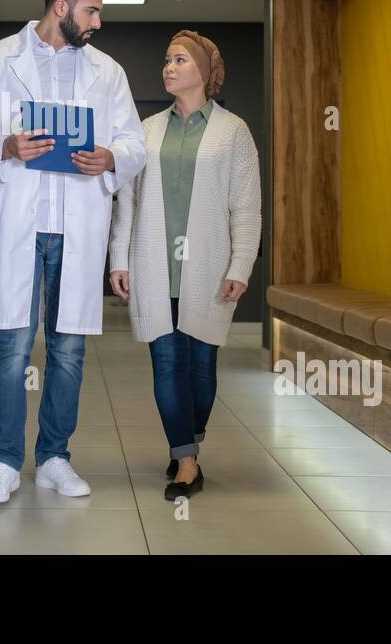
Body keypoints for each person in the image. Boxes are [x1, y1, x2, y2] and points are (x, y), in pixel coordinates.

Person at [0, 0, 146, 503]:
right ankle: (6, 462)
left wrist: (110, 156)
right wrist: (6, 147)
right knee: (13, 345)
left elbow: (134, 144)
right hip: (21, 220)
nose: (98, 22)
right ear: (61, 7)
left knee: (68, 349)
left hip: (76, 226)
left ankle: (56, 456)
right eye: (92, 10)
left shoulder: (108, 73)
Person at [108, 29, 262, 501]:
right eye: (166, 60)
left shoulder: (232, 131)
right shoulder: (147, 130)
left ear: (203, 71)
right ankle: (188, 462)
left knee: (201, 367)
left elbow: (246, 205)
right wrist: (119, 258)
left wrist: (240, 266)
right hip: (154, 264)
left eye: (179, 60)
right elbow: (126, 201)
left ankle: (184, 445)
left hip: (208, 267)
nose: (168, 67)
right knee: (166, 362)